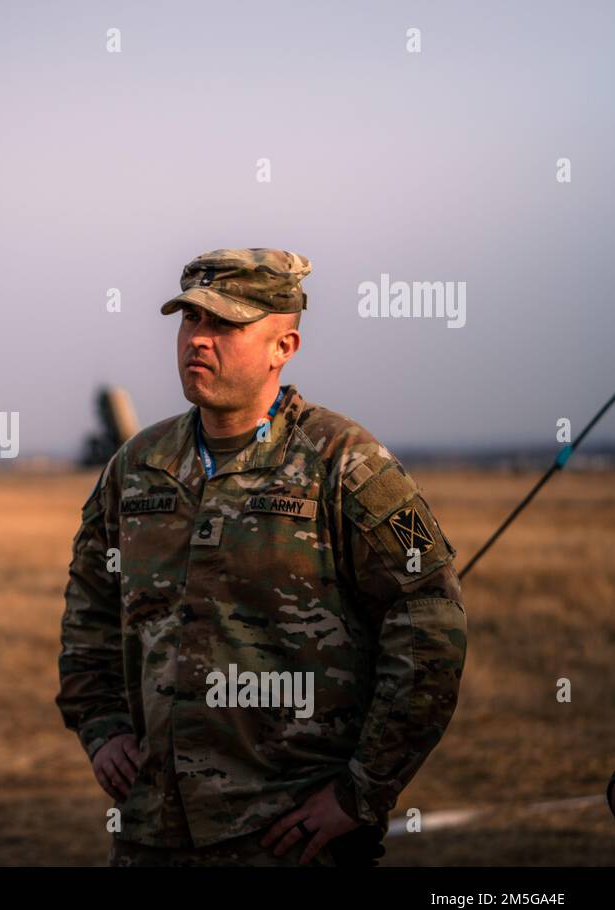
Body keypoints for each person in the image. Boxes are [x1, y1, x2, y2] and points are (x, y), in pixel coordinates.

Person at [56, 248, 467, 866]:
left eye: (224, 325)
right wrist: (101, 724)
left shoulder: (344, 463)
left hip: (291, 835)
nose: (199, 340)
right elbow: (89, 603)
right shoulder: (137, 467)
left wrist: (360, 793)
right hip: (154, 832)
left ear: (284, 346)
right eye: (190, 320)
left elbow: (430, 622)